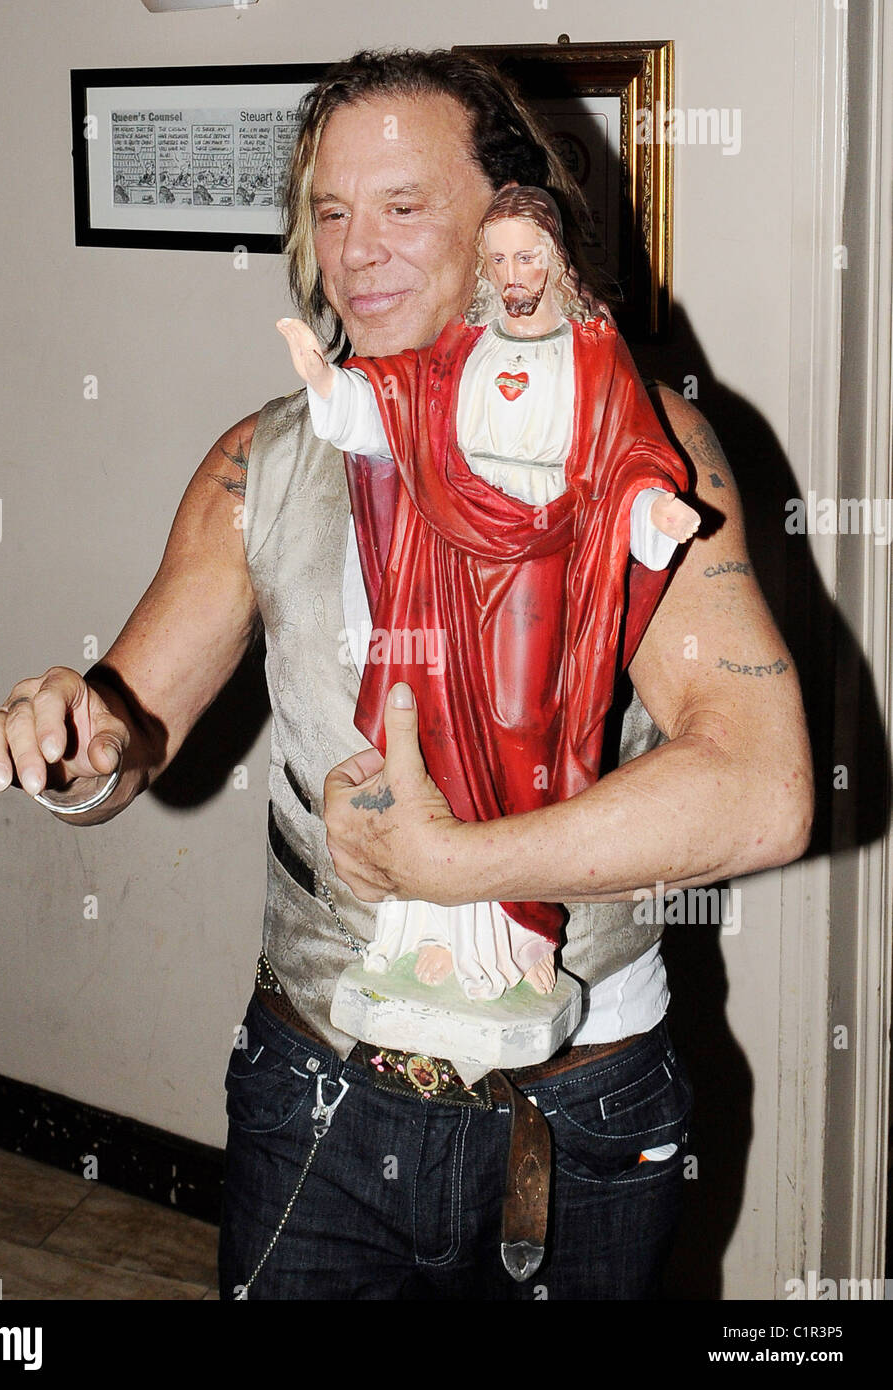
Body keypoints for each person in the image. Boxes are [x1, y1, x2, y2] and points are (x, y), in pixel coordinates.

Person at [0, 50, 812, 1299]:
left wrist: (452, 864)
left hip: (578, 1105)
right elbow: (124, 739)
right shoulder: (263, 461)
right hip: (319, 1093)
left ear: (515, 218)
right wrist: (70, 745)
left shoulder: (644, 445)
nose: (358, 251)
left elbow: (764, 786)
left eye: (404, 207)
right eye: (332, 211)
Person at [277, 184, 700, 1009]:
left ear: (557, 263)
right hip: (445, 567)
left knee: (517, 735)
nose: (513, 273)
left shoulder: (593, 351)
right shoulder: (462, 345)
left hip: (535, 575)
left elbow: (628, 454)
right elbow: (397, 406)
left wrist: (652, 509)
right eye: (500, 257)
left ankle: (523, 929)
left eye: (528, 257)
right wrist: (332, 388)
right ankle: (432, 934)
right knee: (430, 733)